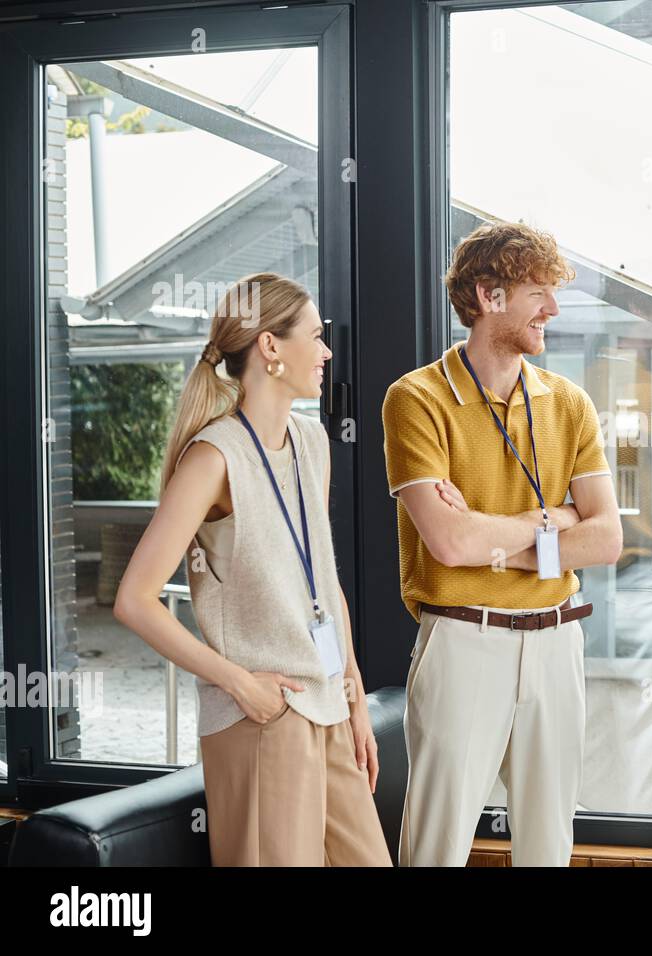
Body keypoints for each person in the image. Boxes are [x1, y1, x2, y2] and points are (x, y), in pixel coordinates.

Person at [114, 272, 391, 866]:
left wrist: (356, 695)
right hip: (262, 714)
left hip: (327, 703)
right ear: (270, 347)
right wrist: (241, 685)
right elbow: (134, 600)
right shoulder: (213, 458)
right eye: (315, 337)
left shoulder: (312, 441)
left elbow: (323, 580)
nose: (326, 352)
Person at [382, 220, 622, 867]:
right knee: (435, 850)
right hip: (464, 641)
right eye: (539, 292)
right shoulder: (416, 399)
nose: (553, 308)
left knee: (549, 849)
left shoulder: (568, 403)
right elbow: (451, 541)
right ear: (490, 298)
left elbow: (605, 538)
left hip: (557, 642)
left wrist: (507, 546)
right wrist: (554, 521)